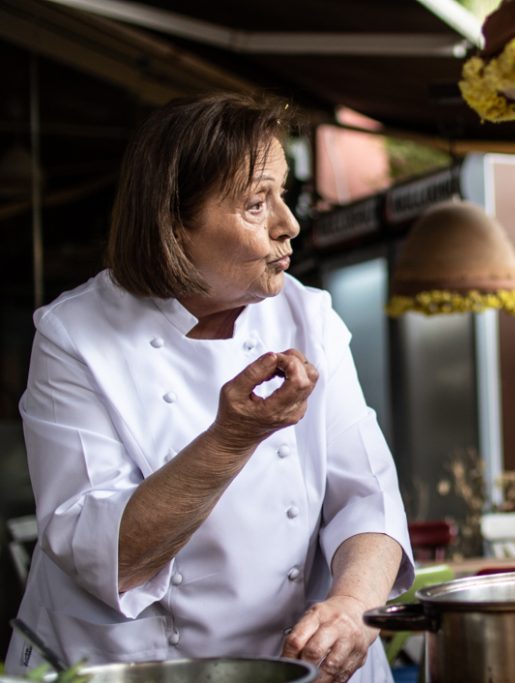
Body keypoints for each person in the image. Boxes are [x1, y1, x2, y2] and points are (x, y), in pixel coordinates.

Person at [5, 93, 413, 683]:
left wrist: (352, 606)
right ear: (174, 225)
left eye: (283, 194)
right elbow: (111, 559)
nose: (289, 224)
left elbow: (367, 497)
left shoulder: (311, 318)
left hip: (305, 657)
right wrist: (231, 439)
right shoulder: (75, 336)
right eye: (256, 203)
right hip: (148, 665)